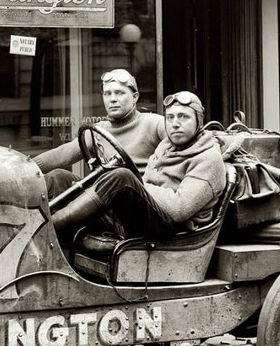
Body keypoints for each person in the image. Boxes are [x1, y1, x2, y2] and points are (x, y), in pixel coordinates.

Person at [49, 90, 226, 242]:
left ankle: (49, 228)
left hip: (170, 231)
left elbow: (178, 210)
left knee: (122, 177)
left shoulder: (209, 159)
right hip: (140, 220)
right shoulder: (166, 146)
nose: (175, 123)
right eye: (170, 117)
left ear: (199, 122)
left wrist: (138, 185)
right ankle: (36, 220)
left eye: (184, 117)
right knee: (60, 177)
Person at [34, 69, 166, 197]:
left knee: (119, 175)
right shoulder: (98, 130)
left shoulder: (154, 123)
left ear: (135, 97)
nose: (112, 99)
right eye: (107, 94)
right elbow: (62, 154)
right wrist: (25, 166)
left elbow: (183, 144)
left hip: (140, 201)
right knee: (58, 177)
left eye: (120, 93)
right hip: (106, 201)